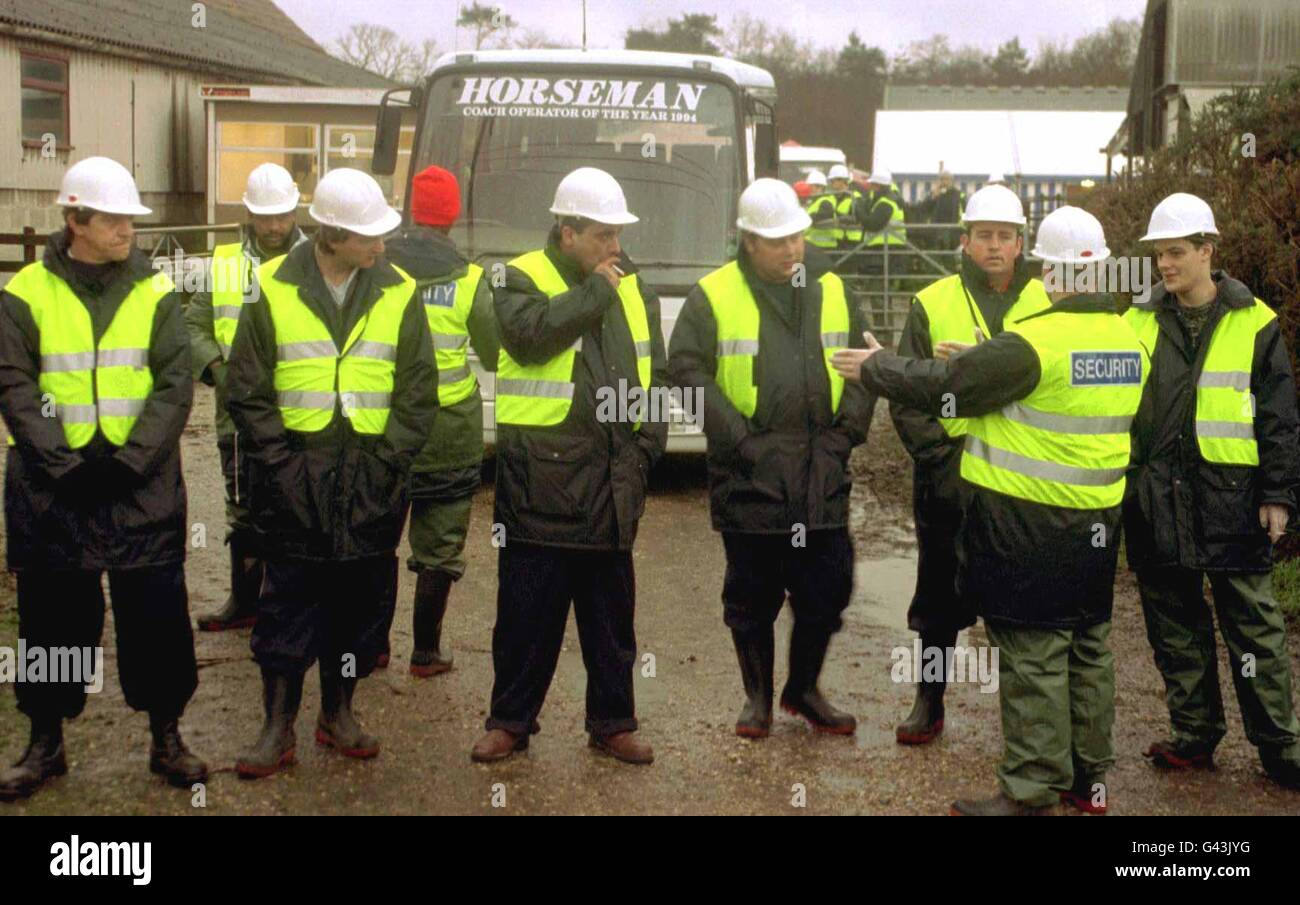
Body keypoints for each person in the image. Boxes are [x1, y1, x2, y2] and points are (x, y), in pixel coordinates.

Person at [834, 207, 1148, 815]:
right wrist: (980, 359)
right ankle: (1089, 782)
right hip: (1097, 522)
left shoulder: (1035, 343)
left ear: (1048, 273)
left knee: (1032, 653)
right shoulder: (1127, 339)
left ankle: (1030, 788)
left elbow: (949, 383)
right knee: (1087, 649)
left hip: (1031, 524)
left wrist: (875, 368)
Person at [0, 157, 206, 801]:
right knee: (50, 618)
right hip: (51, 491)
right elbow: (14, 385)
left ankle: (166, 736)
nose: (126, 230)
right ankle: (44, 741)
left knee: (156, 616)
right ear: (74, 219)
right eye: (113, 219)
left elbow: (175, 386)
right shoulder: (25, 294)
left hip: (138, 487)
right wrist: (64, 465)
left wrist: (128, 462)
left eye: (129, 220)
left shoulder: (154, 291)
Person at [225, 168, 437, 778]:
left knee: (357, 609)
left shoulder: (398, 290)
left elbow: (419, 390)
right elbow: (247, 388)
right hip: (293, 477)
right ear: (332, 234)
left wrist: (387, 464)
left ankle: (338, 713)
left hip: (371, 481)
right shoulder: (271, 286)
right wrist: (282, 466)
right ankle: (278, 726)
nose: (381, 246)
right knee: (287, 604)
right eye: (369, 237)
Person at [470, 167, 667, 765]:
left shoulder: (632, 284)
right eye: (604, 235)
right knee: (526, 618)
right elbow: (529, 338)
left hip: (610, 478)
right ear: (567, 231)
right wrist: (597, 293)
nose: (616, 247)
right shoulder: (517, 276)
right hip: (540, 484)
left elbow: (650, 369)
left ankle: (613, 722)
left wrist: (645, 448)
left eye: (618, 235)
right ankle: (510, 720)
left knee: (611, 622)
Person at [669, 178, 876, 739]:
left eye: (797, 237)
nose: (792, 250)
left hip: (820, 468)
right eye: (777, 241)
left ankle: (803, 689)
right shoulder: (712, 295)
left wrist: (844, 436)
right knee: (752, 594)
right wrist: (739, 440)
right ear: (748, 241)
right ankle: (757, 698)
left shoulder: (833, 289)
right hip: (750, 473)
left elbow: (864, 365)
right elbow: (685, 373)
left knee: (828, 588)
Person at [1124, 192, 1300, 790]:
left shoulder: (1258, 322)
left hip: (1233, 503)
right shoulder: (1136, 321)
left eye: (1175, 253)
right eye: (1157, 255)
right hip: (1156, 504)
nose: (1164, 266)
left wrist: (1278, 496)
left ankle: (1280, 748)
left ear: (1207, 250)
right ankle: (1194, 737)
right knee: (1176, 630)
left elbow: (1279, 421)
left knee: (1255, 632)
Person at [889, 184, 1050, 746]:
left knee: (1019, 605)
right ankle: (928, 704)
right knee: (937, 601)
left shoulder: (1047, 303)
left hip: (1022, 478)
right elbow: (908, 394)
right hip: (949, 479)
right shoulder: (932, 302)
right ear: (965, 240)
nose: (995, 246)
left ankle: (1024, 727)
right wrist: (940, 459)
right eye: (984, 236)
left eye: (1005, 236)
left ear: (1021, 242)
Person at [381, 165, 499, 676]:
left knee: (375, 539)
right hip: (449, 431)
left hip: (384, 430)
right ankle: (425, 651)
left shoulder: (380, 269)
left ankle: (372, 648)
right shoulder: (470, 281)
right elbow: (494, 354)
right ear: (452, 218)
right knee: (440, 547)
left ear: (412, 213)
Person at [189, 162, 307, 632]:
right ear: (249, 214)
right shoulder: (222, 263)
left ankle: (289, 604)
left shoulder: (315, 261)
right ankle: (245, 600)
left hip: (297, 410)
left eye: (281, 215)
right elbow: (194, 325)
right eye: (265, 217)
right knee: (242, 504)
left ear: (295, 209)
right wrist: (218, 372)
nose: (275, 227)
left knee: (295, 503)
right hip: (236, 415)